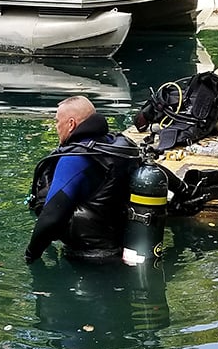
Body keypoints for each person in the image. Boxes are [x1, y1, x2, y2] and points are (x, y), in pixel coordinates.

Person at [25, 96, 140, 263]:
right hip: (125, 248)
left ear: (71, 124)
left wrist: (31, 255)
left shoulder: (74, 159)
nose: (56, 127)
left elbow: (51, 218)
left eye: (58, 122)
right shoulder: (121, 146)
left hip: (86, 259)